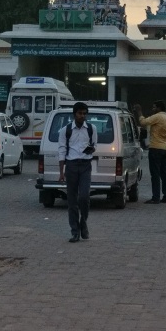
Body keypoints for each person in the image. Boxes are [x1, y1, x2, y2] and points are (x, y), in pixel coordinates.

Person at [57, 102, 97, 242]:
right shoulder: (65, 130)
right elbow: (62, 150)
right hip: (72, 166)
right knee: (72, 200)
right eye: (80, 113)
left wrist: (91, 149)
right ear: (74, 114)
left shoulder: (92, 129)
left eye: (85, 113)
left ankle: (83, 223)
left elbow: (94, 145)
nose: (82, 116)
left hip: (86, 165)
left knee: (84, 197)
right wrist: (61, 172)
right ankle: (75, 231)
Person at [134, 101, 166, 204]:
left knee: (155, 173)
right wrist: (165, 140)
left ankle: (156, 197)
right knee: (164, 173)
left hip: (155, 148)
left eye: (154, 107)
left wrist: (139, 112)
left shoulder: (157, 117)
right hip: (165, 148)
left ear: (159, 108)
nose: (153, 109)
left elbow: (143, 123)